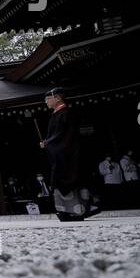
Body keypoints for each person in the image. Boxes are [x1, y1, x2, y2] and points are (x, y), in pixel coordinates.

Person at [40, 87, 100, 221]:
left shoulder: (65, 114)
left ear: (57, 98)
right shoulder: (58, 114)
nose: (46, 101)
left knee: (69, 180)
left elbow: (65, 137)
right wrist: (48, 142)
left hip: (68, 156)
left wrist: (49, 143)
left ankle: (76, 211)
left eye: (48, 98)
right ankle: (68, 211)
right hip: (62, 155)